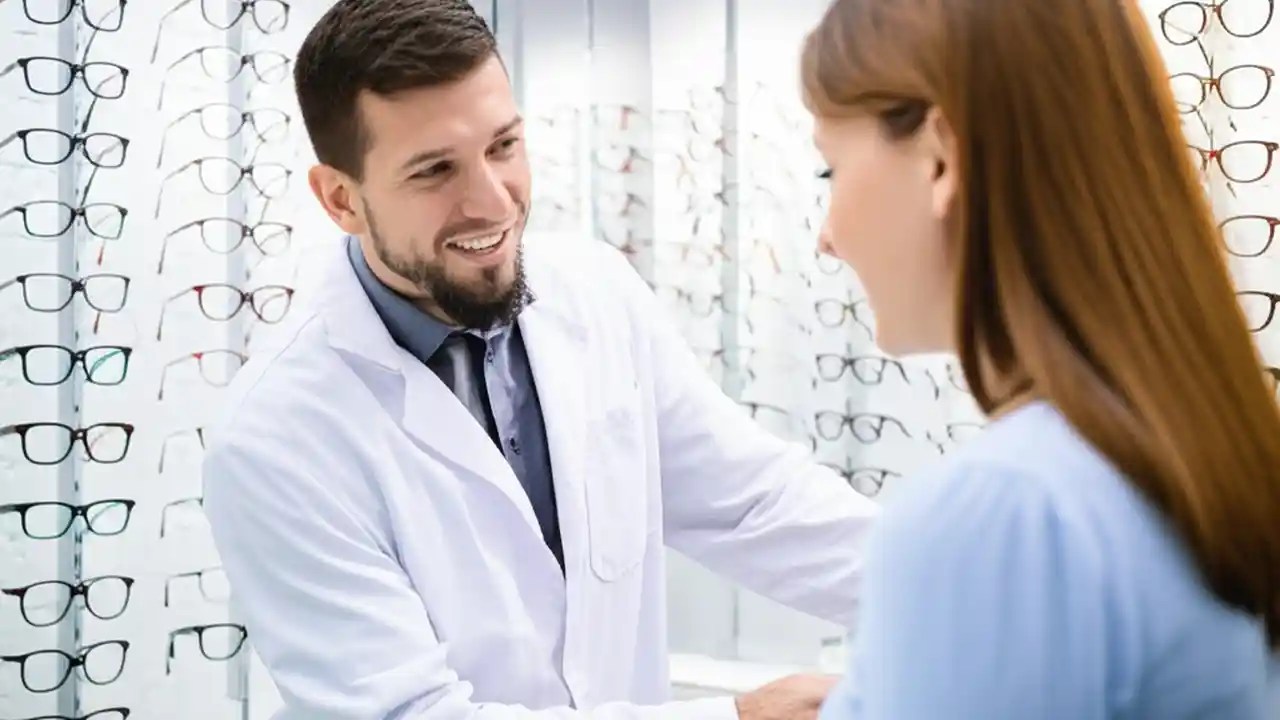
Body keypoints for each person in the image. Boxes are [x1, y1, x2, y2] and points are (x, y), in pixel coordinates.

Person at [201, 1, 880, 718]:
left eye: (503, 146)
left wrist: (973, 590)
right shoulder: (277, 435)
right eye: (435, 170)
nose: (492, 204)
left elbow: (754, 504)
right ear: (341, 199)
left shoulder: (595, 292)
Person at [799, 0, 1280, 718]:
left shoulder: (1004, 514)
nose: (826, 237)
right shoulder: (1194, 455)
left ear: (940, 156)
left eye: (828, 172)